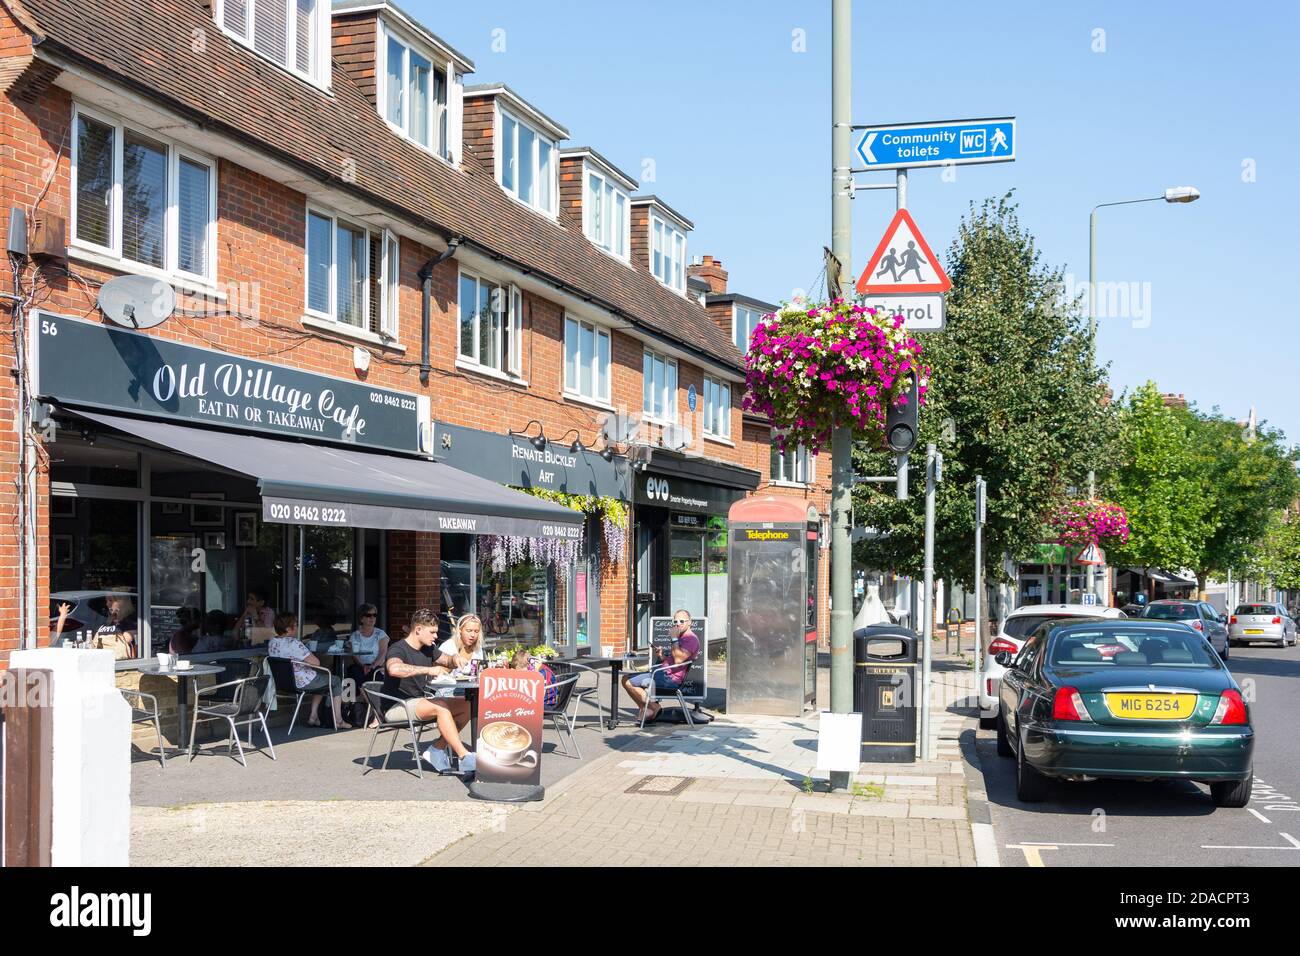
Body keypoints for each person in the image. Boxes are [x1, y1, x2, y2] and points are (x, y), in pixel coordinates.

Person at [382, 608, 475, 775]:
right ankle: (464, 757)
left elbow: (447, 659)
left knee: (467, 704)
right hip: (396, 706)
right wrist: (428, 670)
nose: (435, 637)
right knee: (440, 706)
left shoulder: (428, 648)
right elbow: (394, 669)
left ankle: (436, 749)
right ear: (418, 630)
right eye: (432, 632)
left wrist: (456, 659)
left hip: (419, 702)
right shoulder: (398, 648)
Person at [621, 609, 700, 722]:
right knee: (626, 678)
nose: (678, 624)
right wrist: (662, 657)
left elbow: (678, 659)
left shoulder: (690, 639)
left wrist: (673, 638)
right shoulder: (681, 637)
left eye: (682, 621)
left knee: (626, 680)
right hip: (663, 674)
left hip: (669, 679)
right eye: (675, 621)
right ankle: (648, 708)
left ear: (690, 622)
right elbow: (674, 660)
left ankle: (652, 707)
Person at [268, 612, 344, 728]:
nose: (297, 627)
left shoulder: (272, 642)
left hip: (283, 683)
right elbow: (316, 662)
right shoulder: (294, 643)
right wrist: (304, 660)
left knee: (322, 678)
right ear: (288, 629)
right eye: (296, 624)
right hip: (302, 682)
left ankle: (313, 716)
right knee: (335, 681)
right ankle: (338, 720)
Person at [346, 604, 389, 728]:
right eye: (368, 615)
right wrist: (363, 665)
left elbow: (383, 652)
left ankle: (376, 714)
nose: (372, 618)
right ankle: (378, 713)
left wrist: (373, 665)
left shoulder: (380, 634)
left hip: (377, 666)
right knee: (354, 671)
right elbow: (354, 654)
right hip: (361, 666)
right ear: (361, 618)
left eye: (374, 615)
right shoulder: (355, 635)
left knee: (372, 675)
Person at [95, 591, 138, 659]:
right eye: (106, 600)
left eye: (110, 600)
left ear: (122, 602)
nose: (107, 604)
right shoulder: (107, 622)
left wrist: (103, 641)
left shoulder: (130, 622)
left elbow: (124, 641)